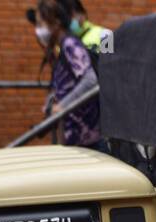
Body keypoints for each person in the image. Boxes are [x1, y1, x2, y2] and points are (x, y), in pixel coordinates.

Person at [36, 0, 101, 148]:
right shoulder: (63, 46)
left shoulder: (101, 34)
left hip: (85, 134)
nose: (38, 30)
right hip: (74, 133)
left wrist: (62, 106)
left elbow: (91, 79)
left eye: (41, 24)